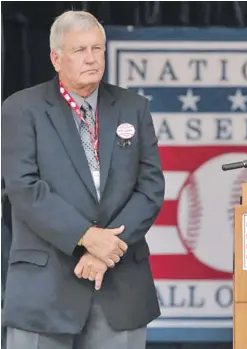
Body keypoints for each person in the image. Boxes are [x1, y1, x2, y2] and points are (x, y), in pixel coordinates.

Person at [1, 10, 165, 349]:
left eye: (98, 49)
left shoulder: (133, 107)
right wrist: (86, 237)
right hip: (44, 290)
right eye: (80, 50)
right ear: (56, 58)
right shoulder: (21, 109)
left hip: (119, 288)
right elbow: (24, 187)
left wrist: (104, 252)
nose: (92, 59)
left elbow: (150, 188)